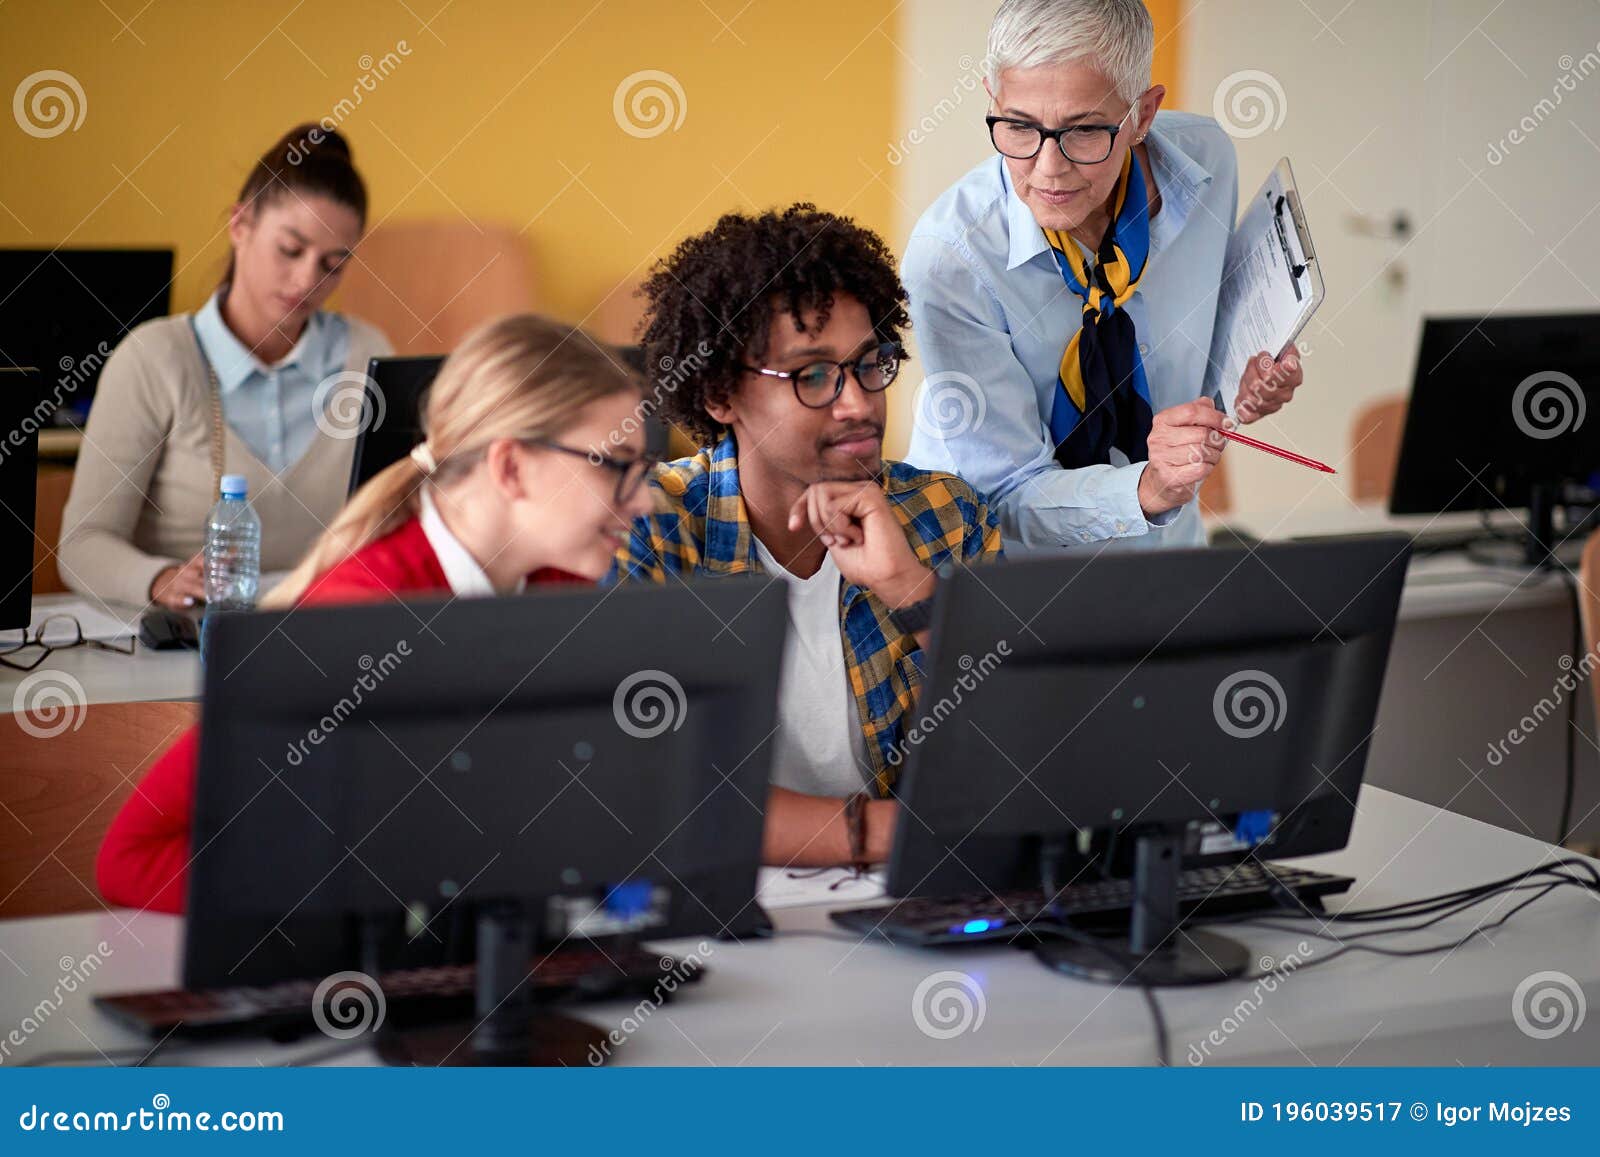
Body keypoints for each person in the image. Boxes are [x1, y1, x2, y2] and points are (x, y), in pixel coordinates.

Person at [95, 315, 656, 913]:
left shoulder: (556, 588)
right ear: (511, 467)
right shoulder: (357, 621)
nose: (643, 499)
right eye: (613, 464)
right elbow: (134, 857)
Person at [609, 204, 1004, 869]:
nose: (857, 403)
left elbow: (1022, 747)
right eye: (813, 375)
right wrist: (894, 832)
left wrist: (912, 589)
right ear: (718, 395)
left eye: (870, 363)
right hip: (718, 913)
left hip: (910, 906)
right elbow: (645, 788)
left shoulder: (946, 515)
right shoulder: (649, 526)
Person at [902, 0, 1304, 552]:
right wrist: (1148, 488)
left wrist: (1247, 377)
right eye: (1019, 126)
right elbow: (1005, 494)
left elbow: (1195, 353)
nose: (1048, 170)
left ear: (1142, 115)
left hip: (1161, 551)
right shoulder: (949, 259)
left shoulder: (1207, 162)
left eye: (1085, 131)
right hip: (1005, 577)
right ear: (992, 103)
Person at [59, 123, 393, 610]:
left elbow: (399, 522)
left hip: (328, 639)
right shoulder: (154, 359)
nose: (307, 279)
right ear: (240, 226)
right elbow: (81, 546)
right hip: (187, 645)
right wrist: (161, 579)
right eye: (290, 250)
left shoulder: (368, 355)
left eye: (332, 265)